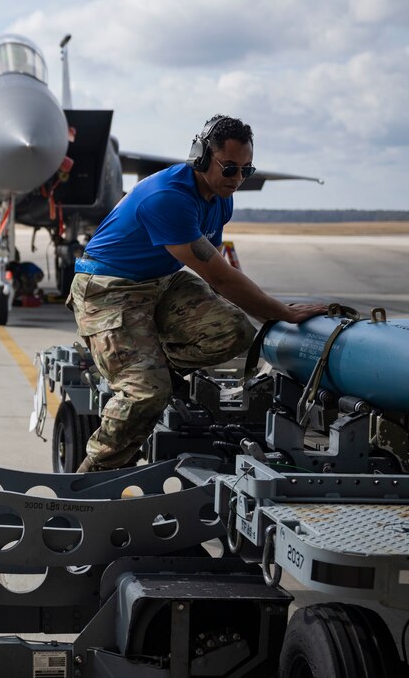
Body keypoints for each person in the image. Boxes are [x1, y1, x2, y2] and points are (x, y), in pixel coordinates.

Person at [68, 115, 327, 472]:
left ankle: (150, 369)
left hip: (161, 280)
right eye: (230, 168)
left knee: (233, 331)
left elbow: (216, 269)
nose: (237, 180)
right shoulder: (167, 198)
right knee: (147, 394)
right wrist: (282, 312)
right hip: (109, 289)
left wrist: (265, 312)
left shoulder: (221, 198)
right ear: (201, 157)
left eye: (246, 171)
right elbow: (222, 279)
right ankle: (89, 479)